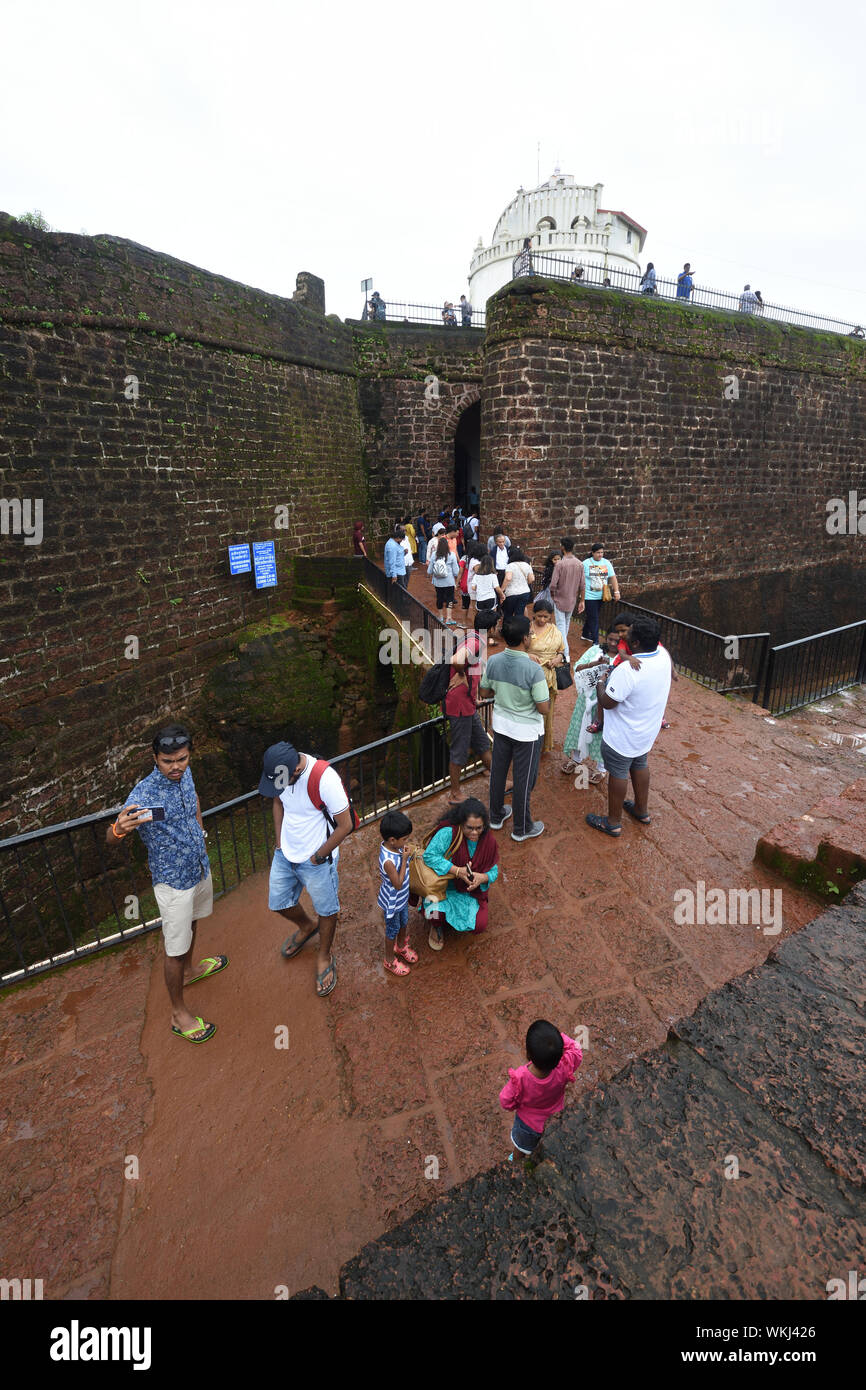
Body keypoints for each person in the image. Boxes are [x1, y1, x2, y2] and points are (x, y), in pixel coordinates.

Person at [107, 723, 223, 1043]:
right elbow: (112, 834)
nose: (176, 767)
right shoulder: (143, 794)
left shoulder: (186, 774)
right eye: (167, 761)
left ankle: (191, 970)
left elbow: (195, 799)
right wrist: (119, 829)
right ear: (154, 758)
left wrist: (199, 832)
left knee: (195, 922)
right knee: (174, 948)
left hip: (197, 868)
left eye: (182, 759)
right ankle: (178, 1014)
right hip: (172, 883)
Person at [260, 742, 354, 996]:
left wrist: (318, 856)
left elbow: (346, 825)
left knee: (327, 909)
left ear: (295, 771)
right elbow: (278, 803)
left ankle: (324, 955)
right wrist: (280, 842)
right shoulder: (283, 776)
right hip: (287, 852)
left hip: (317, 857)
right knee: (278, 902)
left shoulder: (324, 778)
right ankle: (306, 926)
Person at [585, 616, 672, 838]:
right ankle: (642, 811)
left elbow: (607, 702)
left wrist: (601, 683)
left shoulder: (628, 670)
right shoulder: (663, 656)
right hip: (647, 729)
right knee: (640, 763)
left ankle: (613, 823)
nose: (625, 635)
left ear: (635, 644)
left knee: (618, 772)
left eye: (629, 633)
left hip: (622, 734)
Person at [479, 616, 549, 842]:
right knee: (523, 780)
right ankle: (522, 827)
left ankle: (496, 816)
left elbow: (484, 693)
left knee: (498, 772)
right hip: (526, 732)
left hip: (501, 725)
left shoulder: (494, 661)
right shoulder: (534, 669)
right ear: (525, 639)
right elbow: (543, 708)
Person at [421, 798, 500, 949]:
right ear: (460, 823)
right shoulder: (448, 833)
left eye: (479, 828)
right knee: (433, 914)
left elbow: (494, 870)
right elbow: (429, 856)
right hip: (442, 887)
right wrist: (457, 871)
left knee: (480, 926)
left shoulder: (488, 841)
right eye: (469, 828)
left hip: (469, 892)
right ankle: (436, 926)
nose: (475, 833)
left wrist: (482, 878)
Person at [499, 1020, 582, 1160]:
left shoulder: (520, 1078)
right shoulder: (565, 1066)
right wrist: (557, 1040)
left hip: (527, 1125)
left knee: (521, 1147)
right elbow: (576, 1049)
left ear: (528, 1055)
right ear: (560, 1052)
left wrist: (517, 1105)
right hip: (553, 1117)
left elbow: (505, 1101)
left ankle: (516, 1163)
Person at [560, 627, 620, 782]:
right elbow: (577, 667)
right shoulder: (596, 650)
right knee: (581, 725)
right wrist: (594, 663)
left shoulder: (624, 660)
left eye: (617, 641)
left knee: (602, 733)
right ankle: (576, 759)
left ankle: (601, 768)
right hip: (587, 698)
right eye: (610, 639)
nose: (613, 643)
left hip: (607, 701)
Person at [444, 631, 492, 803]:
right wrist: (462, 675)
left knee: (482, 743)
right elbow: (457, 660)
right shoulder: (475, 642)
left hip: (468, 705)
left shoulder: (475, 638)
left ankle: (496, 780)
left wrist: (475, 696)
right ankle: (455, 794)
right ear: (492, 627)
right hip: (460, 708)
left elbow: (473, 669)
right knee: (459, 751)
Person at [378, 810, 417, 977]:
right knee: (392, 930)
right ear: (392, 840)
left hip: (401, 900)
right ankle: (389, 960)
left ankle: (400, 946)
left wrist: (406, 856)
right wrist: (403, 860)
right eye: (404, 839)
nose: (406, 842)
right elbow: (398, 884)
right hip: (393, 902)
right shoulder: (388, 861)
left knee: (403, 923)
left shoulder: (395, 848)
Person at [527, 598, 566, 754]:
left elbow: (561, 651)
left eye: (546, 617)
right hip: (529, 674)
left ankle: (542, 744)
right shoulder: (527, 629)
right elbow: (519, 648)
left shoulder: (555, 630)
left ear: (550, 617)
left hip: (548, 677)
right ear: (533, 614)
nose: (542, 620)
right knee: (529, 708)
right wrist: (528, 656)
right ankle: (527, 741)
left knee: (546, 711)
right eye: (539, 616)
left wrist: (557, 659)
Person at [549, 535, 586, 663]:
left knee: (561, 626)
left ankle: (565, 653)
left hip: (560, 599)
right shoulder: (579, 564)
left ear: (562, 547)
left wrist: (553, 595)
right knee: (566, 624)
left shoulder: (560, 564)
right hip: (572, 599)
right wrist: (582, 600)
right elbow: (582, 584)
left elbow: (553, 584)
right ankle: (564, 651)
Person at [581, 542, 620, 646]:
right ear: (593, 553)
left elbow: (612, 577)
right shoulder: (585, 563)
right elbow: (580, 580)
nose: (600, 554)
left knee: (593, 616)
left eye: (602, 552)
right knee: (594, 618)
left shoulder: (606, 563)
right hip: (589, 596)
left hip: (602, 595)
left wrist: (616, 591)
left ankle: (585, 633)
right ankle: (596, 641)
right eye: (598, 552)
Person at [469, 553, 504, 645]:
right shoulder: (493, 575)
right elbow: (497, 588)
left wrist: (480, 588)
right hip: (491, 599)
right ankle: (491, 638)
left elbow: (473, 587)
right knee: (492, 620)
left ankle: (480, 639)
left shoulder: (476, 575)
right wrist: (502, 595)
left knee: (482, 619)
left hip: (480, 600)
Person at [428, 534, 460, 625]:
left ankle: (441, 616)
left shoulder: (434, 555)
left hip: (438, 582)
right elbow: (456, 572)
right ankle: (449, 618)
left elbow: (429, 570)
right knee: (450, 599)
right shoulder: (452, 555)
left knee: (439, 598)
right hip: (449, 581)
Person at [500, 546, 535, 621]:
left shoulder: (510, 566)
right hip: (525, 592)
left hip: (511, 593)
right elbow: (532, 579)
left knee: (508, 613)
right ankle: (519, 631)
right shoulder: (527, 565)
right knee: (519, 614)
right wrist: (524, 583)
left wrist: (502, 590)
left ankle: (507, 630)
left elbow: (508, 578)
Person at [384, 523, 408, 589]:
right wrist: (394, 576)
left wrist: (404, 552)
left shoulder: (394, 543)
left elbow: (396, 556)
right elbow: (392, 561)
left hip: (399, 571)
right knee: (400, 592)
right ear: (398, 538)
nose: (401, 541)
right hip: (397, 573)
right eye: (401, 539)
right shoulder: (392, 546)